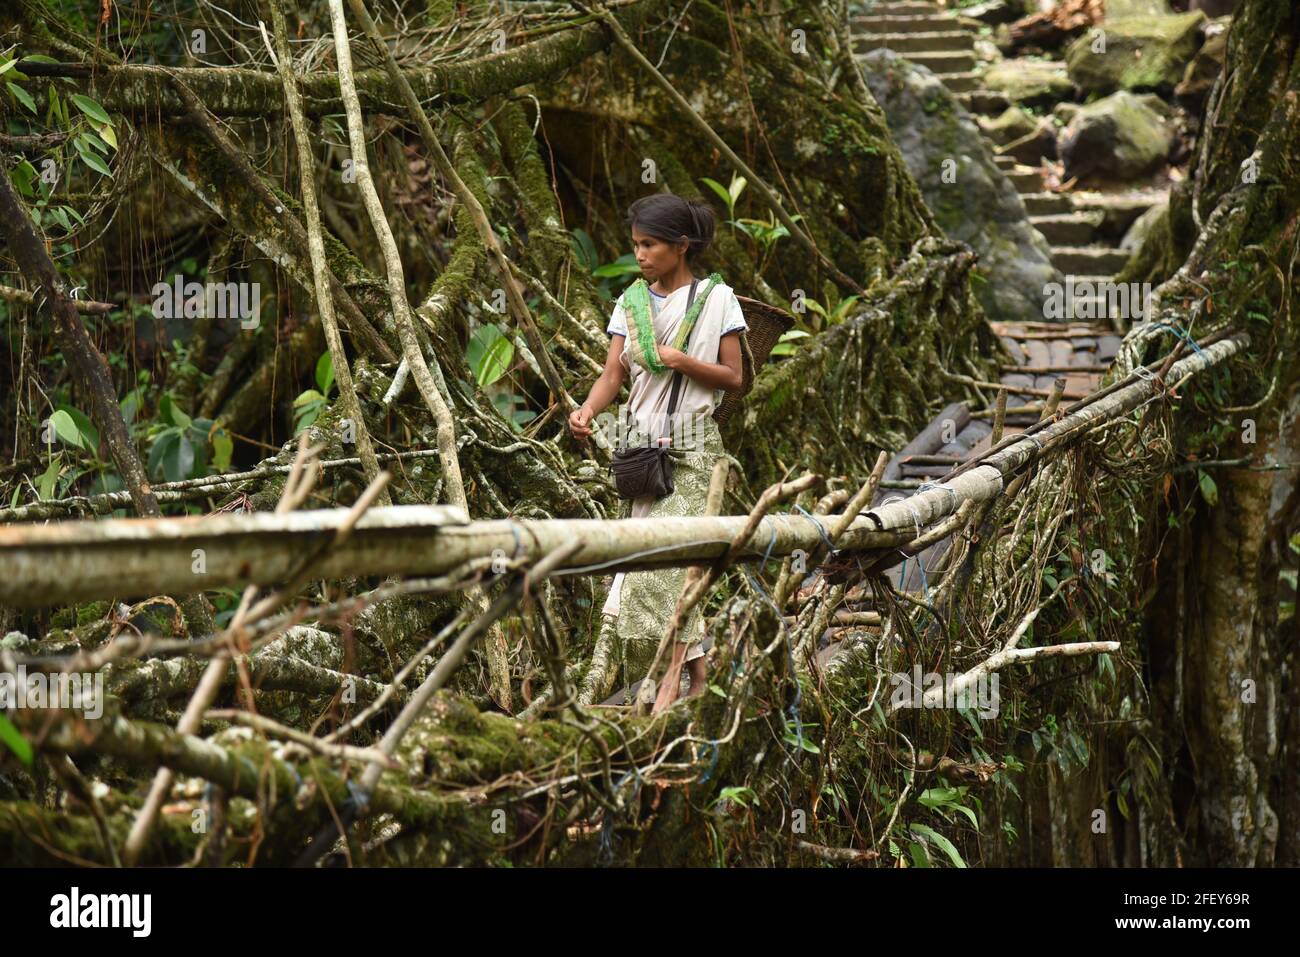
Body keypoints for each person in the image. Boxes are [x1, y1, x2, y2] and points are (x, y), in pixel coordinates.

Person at [568, 193, 749, 711]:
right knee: (645, 563)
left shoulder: (719, 300)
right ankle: (698, 673)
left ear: (681, 246)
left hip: (695, 452)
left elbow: (734, 378)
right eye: (636, 246)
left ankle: (672, 682)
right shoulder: (629, 304)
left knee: (672, 565)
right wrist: (586, 412)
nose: (640, 255)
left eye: (649, 245)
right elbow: (612, 375)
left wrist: (680, 360)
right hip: (642, 452)